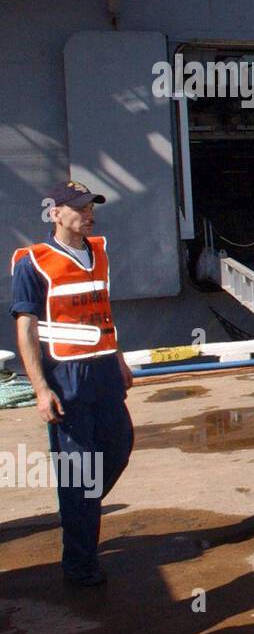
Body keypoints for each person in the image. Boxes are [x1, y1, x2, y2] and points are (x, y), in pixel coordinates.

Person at [9, 182, 134, 587]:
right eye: (79, 207)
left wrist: (118, 358)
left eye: (91, 206)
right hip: (66, 378)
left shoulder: (98, 252)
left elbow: (103, 311)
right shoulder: (33, 262)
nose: (89, 213)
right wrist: (40, 388)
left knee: (118, 447)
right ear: (56, 213)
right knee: (80, 472)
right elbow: (25, 328)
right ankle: (80, 567)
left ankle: (80, 511)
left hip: (103, 373)